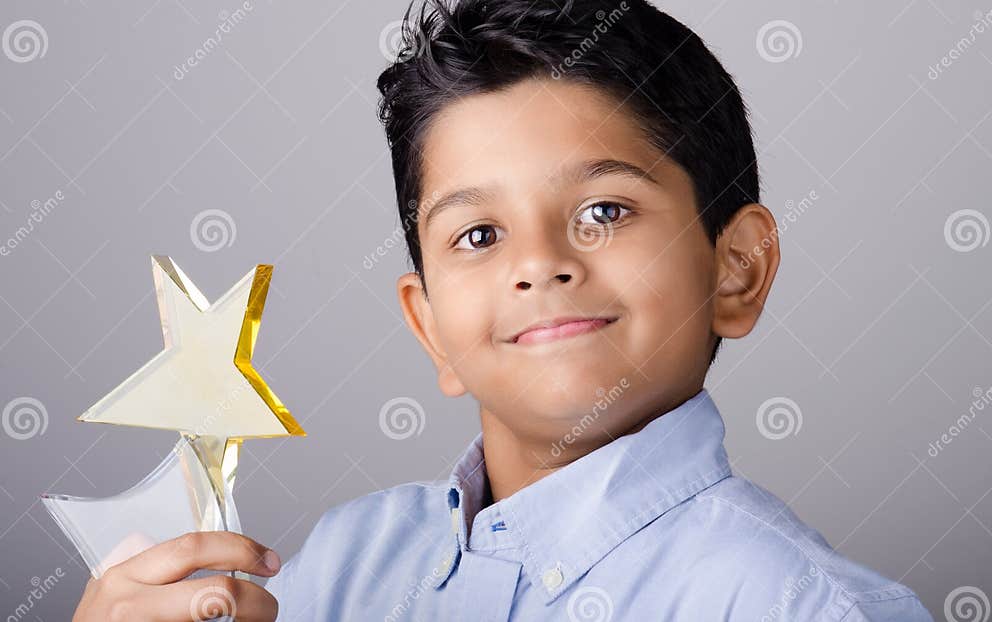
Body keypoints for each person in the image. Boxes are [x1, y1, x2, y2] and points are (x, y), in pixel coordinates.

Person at [72, 0, 934, 619]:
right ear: (431, 328)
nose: (540, 265)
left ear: (737, 269)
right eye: (479, 235)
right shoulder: (334, 570)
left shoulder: (799, 605)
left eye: (605, 211)